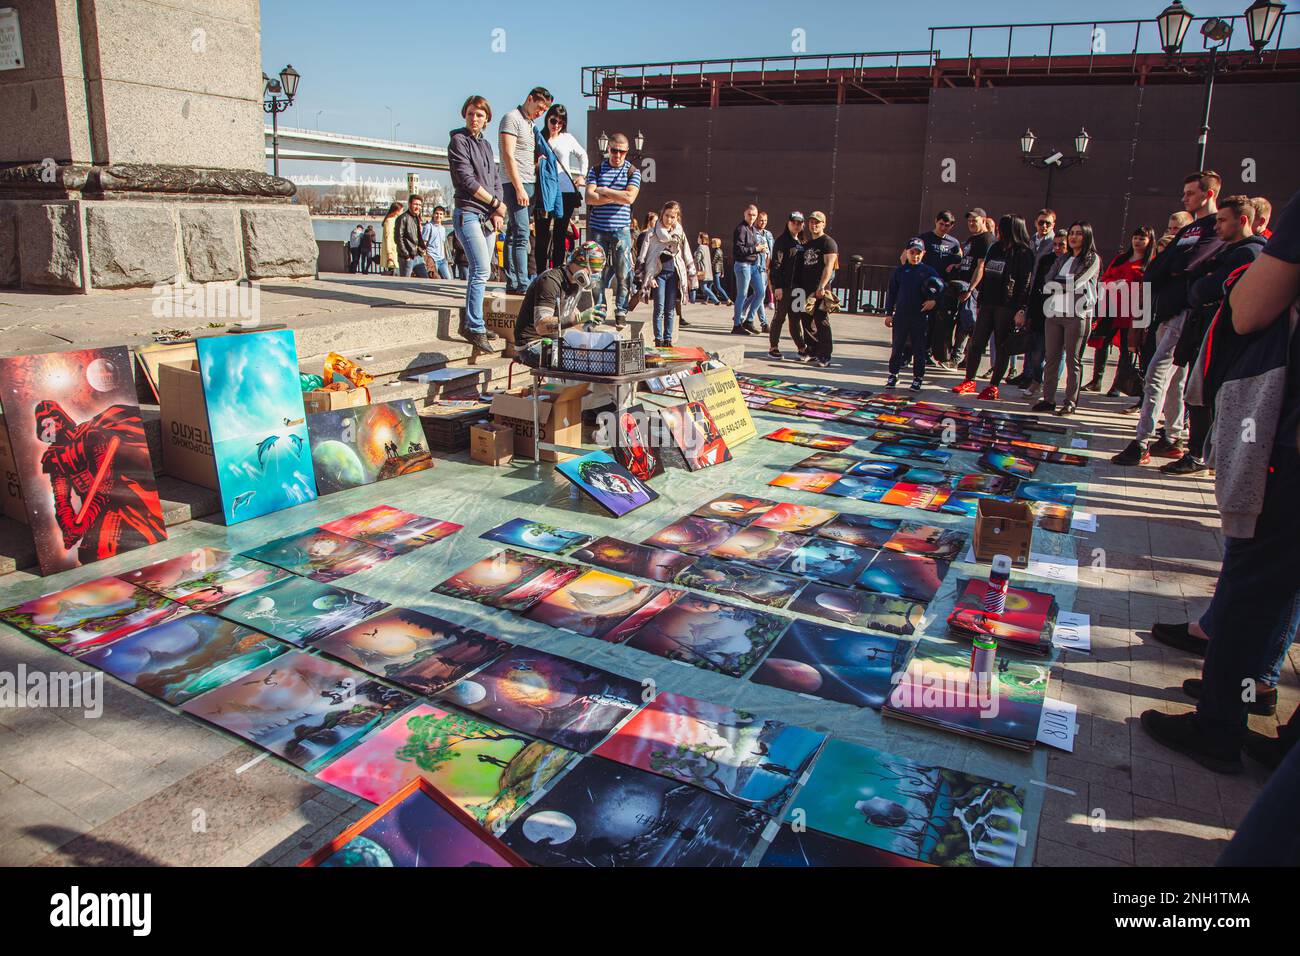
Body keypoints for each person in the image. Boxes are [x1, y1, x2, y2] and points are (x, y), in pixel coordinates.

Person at [1141, 187, 1300, 777]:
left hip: (1286, 434)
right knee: (1281, 590)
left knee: (1258, 581)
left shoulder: (1261, 243)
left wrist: (1235, 283)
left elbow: (1249, 310)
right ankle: (1251, 706)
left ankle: (1220, 724)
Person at [1112, 172, 1224, 464]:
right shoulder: (1191, 228)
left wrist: (1170, 266)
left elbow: (1185, 263)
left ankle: (1142, 442)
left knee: (1157, 375)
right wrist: (1168, 266)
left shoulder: (1214, 227)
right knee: (1172, 379)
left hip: (1186, 312)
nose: (1184, 198)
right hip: (1165, 311)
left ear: (1208, 194)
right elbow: (1157, 266)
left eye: (1190, 193)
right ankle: (1172, 437)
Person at [1163, 195, 1267, 477]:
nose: (1217, 226)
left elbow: (1203, 290)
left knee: (1208, 397)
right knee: (1198, 394)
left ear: (1242, 220)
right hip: (1205, 331)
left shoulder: (1249, 253)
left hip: (1223, 337)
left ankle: (1201, 454)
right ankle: (1200, 451)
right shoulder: (1227, 251)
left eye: (1223, 220)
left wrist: (1201, 284)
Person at [953, 214, 1034, 400]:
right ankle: (969, 379)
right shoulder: (996, 247)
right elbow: (986, 273)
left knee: (1001, 346)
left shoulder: (1023, 252)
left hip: (1007, 305)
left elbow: (1025, 283)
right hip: (988, 302)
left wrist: (1021, 308)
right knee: (976, 343)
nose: (998, 232)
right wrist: (980, 301)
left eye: (1002, 228)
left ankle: (993, 385)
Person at [449, 94, 506, 351]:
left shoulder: (486, 146)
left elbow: (495, 179)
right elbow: (467, 181)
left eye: (479, 115)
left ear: (487, 119)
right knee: (480, 268)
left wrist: (497, 211)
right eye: (471, 113)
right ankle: (474, 326)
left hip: (486, 216)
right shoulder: (458, 141)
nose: (474, 118)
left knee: (485, 269)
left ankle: (477, 322)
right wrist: (495, 204)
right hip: (468, 212)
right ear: (465, 115)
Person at [1032, 220, 1099, 416]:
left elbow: (1078, 282)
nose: (1073, 237)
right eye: (1072, 233)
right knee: (1051, 357)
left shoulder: (1092, 258)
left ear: (1086, 236)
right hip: (1054, 313)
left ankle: (1070, 402)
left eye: (1078, 233)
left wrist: (1058, 284)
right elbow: (1047, 279)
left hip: (1077, 314)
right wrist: (1062, 283)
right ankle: (1048, 399)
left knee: (1073, 359)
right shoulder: (1062, 258)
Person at [498, 87, 552, 294]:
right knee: (522, 234)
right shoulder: (511, 119)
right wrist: (518, 187)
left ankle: (512, 280)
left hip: (529, 182)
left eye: (544, 110)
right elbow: (508, 155)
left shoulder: (530, 124)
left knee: (513, 233)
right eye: (539, 107)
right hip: (515, 183)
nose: (541, 113)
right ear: (530, 99)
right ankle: (521, 282)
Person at [1089, 227, 1155, 395]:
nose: (1137, 241)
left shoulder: (1150, 263)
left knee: (1126, 350)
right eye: (1135, 237)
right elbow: (1105, 278)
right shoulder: (1121, 259)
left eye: (1142, 238)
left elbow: (1147, 289)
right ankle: (1096, 380)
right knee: (1101, 343)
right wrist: (1115, 283)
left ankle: (1118, 385)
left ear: (1149, 241)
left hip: (1131, 312)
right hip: (1112, 308)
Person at [585, 132, 641, 325]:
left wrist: (604, 191)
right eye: (614, 150)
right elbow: (589, 198)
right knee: (595, 273)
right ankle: (599, 309)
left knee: (623, 272)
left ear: (626, 152)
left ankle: (621, 311)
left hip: (621, 229)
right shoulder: (597, 169)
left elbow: (630, 198)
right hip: (598, 228)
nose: (617, 155)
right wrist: (619, 195)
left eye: (622, 152)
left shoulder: (632, 171)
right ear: (608, 149)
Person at [514, 240, 606, 350]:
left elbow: (568, 310)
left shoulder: (576, 281)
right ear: (581, 262)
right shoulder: (550, 281)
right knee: (582, 363)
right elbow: (541, 326)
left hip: (555, 341)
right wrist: (579, 318)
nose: (594, 277)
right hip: (532, 342)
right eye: (593, 272)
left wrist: (588, 325)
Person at [1011, 229, 1067, 395]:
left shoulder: (1072, 262)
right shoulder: (1045, 260)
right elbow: (1036, 287)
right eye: (1055, 244)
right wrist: (1029, 311)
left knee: (1057, 354)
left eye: (1061, 245)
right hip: (1041, 312)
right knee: (1036, 354)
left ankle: (1050, 385)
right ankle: (1037, 380)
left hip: (1061, 313)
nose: (1057, 248)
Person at [534, 104, 587, 272]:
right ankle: (541, 273)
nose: (556, 125)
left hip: (564, 191)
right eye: (553, 120)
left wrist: (582, 175)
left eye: (561, 122)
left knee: (560, 234)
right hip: (544, 190)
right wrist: (536, 165)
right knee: (542, 235)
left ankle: (556, 273)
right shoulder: (538, 137)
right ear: (547, 118)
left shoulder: (567, 138)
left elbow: (582, 155)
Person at [885, 238, 942, 389]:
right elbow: (892, 293)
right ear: (906, 253)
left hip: (920, 315)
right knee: (897, 346)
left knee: (919, 347)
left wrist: (934, 301)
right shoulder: (900, 271)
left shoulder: (928, 271)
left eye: (918, 253)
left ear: (923, 253)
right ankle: (893, 374)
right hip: (902, 315)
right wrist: (889, 313)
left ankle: (918, 377)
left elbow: (942, 288)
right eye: (912, 252)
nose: (915, 256)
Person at [638, 201, 696, 348]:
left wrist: (688, 276)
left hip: (673, 274)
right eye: (666, 216)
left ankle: (668, 340)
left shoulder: (679, 233)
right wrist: (649, 277)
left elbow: (686, 254)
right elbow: (644, 256)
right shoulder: (652, 233)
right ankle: (658, 339)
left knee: (670, 309)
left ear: (677, 218)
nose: (669, 219)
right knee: (659, 308)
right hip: (658, 275)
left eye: (672, 217)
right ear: (662, 214)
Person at [917, 210, 963, 366]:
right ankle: (915, 352)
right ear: (936, 221)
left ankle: (931, 352)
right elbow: (906, 257)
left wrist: (956, 264)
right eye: (941, 224)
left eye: (947, 225)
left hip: (943, 288)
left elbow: (961, 259)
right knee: (921, 321)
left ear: (952, 225)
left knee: (939, 323)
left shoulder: (954, 243)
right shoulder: (924, 238)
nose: (943, 227)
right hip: (925, 287)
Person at [949, 208, 994, 366]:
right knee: (963, 322)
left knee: (967, 324)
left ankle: (959, 358)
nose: (971, 223)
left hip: (974, 288)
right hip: (963, 285)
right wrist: (957, 264)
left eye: (975, 220)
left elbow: (981, 266)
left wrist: (971, 289)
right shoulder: (971, 239)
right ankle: (962, 359)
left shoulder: (986, 239)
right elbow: (969, 260)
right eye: (969, 220)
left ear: (983, 220)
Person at [796, 210, 839, 367]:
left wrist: (821, 287)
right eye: (812, 222)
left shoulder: (828, 242)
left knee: (821, 321)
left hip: (820, 288)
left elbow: (829, 267)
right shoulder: (807, 244)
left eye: (817, 222)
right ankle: (812, 350)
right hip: (805, 289)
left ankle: (825, 354)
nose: (814, 225)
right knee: (806, 320)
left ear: (824, 224)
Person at [768, 211, 807, 360]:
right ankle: (773, 347)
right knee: (779, 317)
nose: (796, 225)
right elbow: (776, 264)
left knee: (796, 319)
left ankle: (801, 347)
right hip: (784, 287)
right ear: (788, 223)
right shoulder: (782, 241)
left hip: (799, 289)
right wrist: (777, 286)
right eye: (794, 222)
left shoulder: (803, 242)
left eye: (799, 223)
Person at [731, 204, 766, 335]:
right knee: (742, 294)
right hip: (743, 265)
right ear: (744, 214)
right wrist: (755, 249)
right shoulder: (741, 229)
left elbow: (751, 246)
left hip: (753, 265)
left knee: (760, 292)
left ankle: (749, 320)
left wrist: (759, 248)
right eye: (749, 214)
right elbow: (738, 250)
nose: (752, 217)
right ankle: (737, 325)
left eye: (754, 215)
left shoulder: (753, 229)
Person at [747, 210, 773, 333]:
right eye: (761, 220)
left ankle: (740, 312)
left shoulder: (768, 234)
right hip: (756, 267)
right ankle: (763, 323)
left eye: (765, 221)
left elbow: (771, 252)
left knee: (757, 295)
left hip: (766, 268)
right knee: (760, 294)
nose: (763, 223)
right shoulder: (753, 232)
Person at [395, 193, 428, 278]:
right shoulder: (403, 218)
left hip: (418, 255)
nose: (418, 207)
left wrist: (422, 250)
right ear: (409, 204)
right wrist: (406, 255)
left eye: (420, 205)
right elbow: (398, 238)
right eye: (415, 204)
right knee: (405, 282)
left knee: (425, 279)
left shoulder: (416, 218)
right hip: (407, 256)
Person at [422, 205, 452, 279]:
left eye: (441, 214)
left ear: (443, 216)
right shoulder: (428, 226)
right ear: (433, 214)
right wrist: (425, 258)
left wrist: (448, 258)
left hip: (442, 260)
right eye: (437, 213)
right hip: (432, 259)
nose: (438, 216)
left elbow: (444, 245)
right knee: (434, 279)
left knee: (448, 279)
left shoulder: (443, 228)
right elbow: (423, 243)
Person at [694, 232, 720, 304]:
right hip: (709, 271)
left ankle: (716, 300)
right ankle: (712, 300)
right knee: (706, 287)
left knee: (704, 288)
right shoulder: (707, 247)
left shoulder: (700, 247)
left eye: (699, 237)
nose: (697, 239)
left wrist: (695, 254)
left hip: (703, 271)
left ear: (702, 239)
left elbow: (697, 259)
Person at [380, 201, 402, 275]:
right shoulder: (390, 221)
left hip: (395, 250)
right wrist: (389, 253)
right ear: (396, 211)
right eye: (401, 210)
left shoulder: (393, 220)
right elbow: (388, 237)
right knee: (394, 270)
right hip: (393, 251)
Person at [709, 238, 732, 306]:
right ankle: (710, 300)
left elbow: (713, 261)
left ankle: (727, 299)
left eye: (712, 243)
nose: (711, 244)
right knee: (711, 285)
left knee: (718, 287)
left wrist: (709, 267)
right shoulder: (720, 251)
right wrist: (722, 272)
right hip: (718, 270)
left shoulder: (716, 251)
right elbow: (721, 262)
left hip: (715, 270)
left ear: (715, 244)